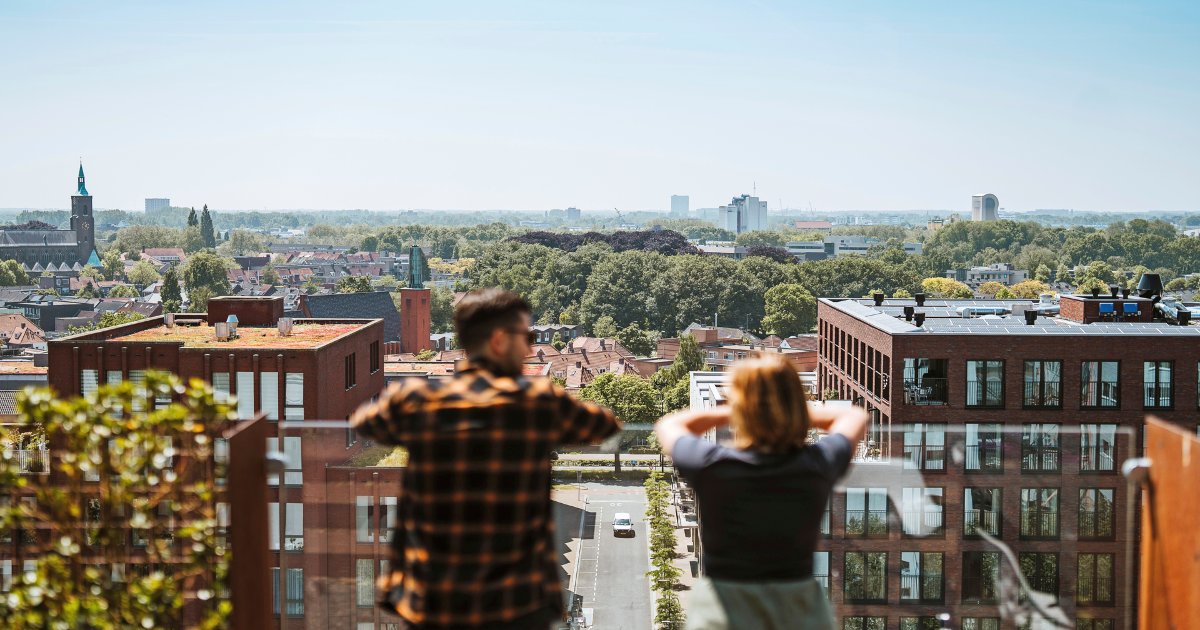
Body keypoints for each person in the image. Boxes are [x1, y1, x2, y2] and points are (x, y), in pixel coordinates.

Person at [351, 288, 622, 629]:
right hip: (516, 600)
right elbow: (603, 426)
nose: (530, 347)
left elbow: (365, 423)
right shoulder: (537, 402)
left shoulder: (417, 400)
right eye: (527, 335)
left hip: (433, 598)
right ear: (498, 340)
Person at [655, 355, 868, 630]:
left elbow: (670, 425)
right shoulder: (817, 464)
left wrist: (745, 408)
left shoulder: (713, 465)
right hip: (798, 608)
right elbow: (854, 416)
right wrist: (789, 410)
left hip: (723, 609)